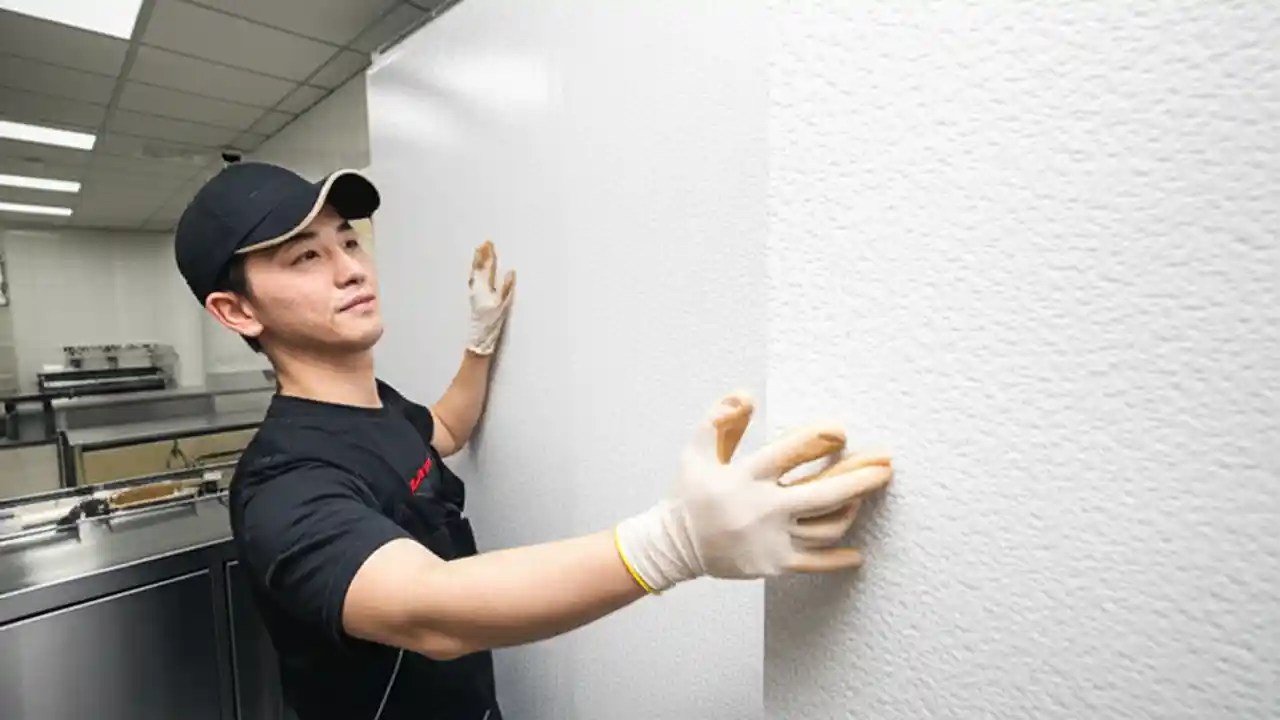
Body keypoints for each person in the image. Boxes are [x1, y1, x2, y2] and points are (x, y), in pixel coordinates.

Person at [173, 161, 894, 720]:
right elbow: (432, 607)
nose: (352, 268)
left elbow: (445, 428)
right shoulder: (283, 485)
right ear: (236, 310)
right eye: (305, 258)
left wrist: (481, 341)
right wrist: (674, 544)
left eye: (348, 239)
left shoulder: (377, 407)